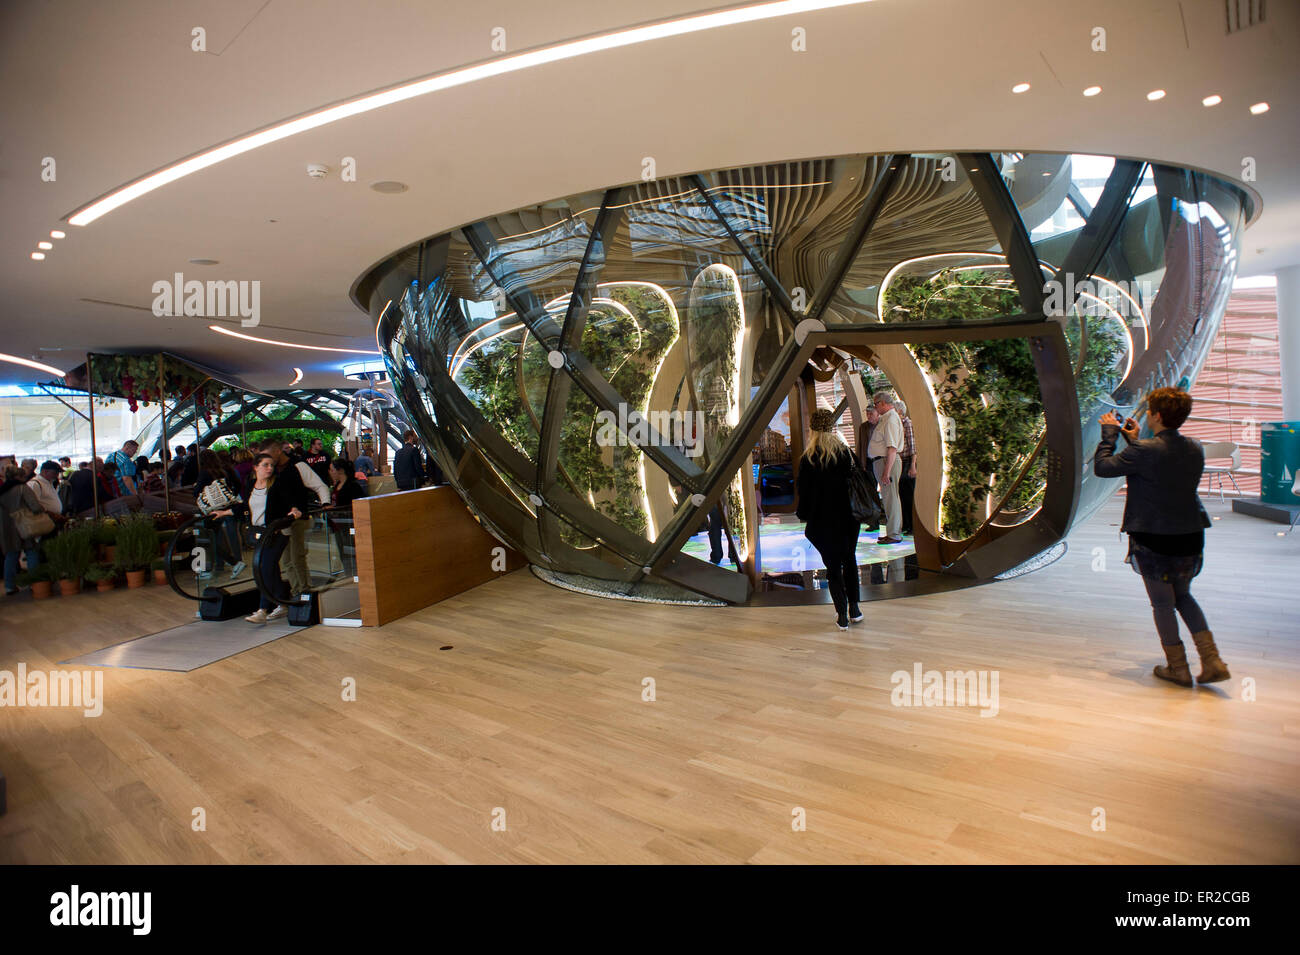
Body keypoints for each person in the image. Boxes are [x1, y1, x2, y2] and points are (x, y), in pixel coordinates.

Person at [1095, 388, 1228, 688]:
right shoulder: (1195, 446)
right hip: (1190, 534)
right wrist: (1134, 440)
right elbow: (1161, 466)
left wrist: (1109, 436)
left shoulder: (1144, 451)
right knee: (1182, 596)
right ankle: (1212, 661)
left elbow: (1103, 468)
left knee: (1162, 604)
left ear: (1156, 415)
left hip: (1154, 536)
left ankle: (1177, 668)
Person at [211, 453, 299, 624]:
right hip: (260, 533)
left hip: (277, 533)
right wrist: (224, 512)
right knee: (270, 569)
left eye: (271, 465)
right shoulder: (251, 484)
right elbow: (245, 507)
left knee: (263, 568)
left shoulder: (277, 483)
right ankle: (282, 603)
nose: (269, 468)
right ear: (255, 467)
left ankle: (262, 609)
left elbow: (290, 501)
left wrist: (294, 510)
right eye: (265, 465)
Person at [796, 408, 862, 631]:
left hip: (822, 520)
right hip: (849, 518)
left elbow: (803, 494)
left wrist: (804, 515)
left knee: (833, 566)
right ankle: (855, 609)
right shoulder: (847, 454)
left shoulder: (808, 459)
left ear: (813, 429)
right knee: (849, 559)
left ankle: (841, 615)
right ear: (832, 427)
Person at [260, 438, 314, 599]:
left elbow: (311, 487)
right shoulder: (275, 472)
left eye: (268, 456)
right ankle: (297, 590)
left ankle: (305, 590)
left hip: (296, 518)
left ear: (277, 452)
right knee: (287, 559)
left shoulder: (295, 466)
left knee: (296, 556)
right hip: (282, 521)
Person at [866, 391, 905, 544]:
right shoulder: (885, 419)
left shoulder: (891, 419)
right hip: (881, 462)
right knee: (890, 499)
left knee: (891, 499)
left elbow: (892, 448)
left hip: (886, 462)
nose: (875, 407)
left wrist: (886, 472)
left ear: (882, 403)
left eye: (876, 404)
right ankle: (892, 531)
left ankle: (894, 534)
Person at [1, 465, 44, 595]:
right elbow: (35, 506)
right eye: (23, 476)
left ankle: (9, 586)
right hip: (24, 525)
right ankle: (34, 582)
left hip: (7, 527)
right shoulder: (22, 488)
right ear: (18, 477)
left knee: (11, 556)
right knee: (31, 552)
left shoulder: (2, 491)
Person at [895, 398, 918, 536]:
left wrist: (913, 466)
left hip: (908, 461)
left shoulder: (907, 423)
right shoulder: (897, 425)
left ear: (900, 412)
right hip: (900, 461)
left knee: (909, 495)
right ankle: (906, 524)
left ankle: (912, 526)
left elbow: (913, 446)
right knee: (902, 495)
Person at [29, 461, 65, 528]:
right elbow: (34, 506)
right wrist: (52, 514)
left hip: (53, 521)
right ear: (45, 471)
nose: (57, 475)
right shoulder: (35, 484)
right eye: (54, 473)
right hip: (44, 522)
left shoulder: (49, 482)